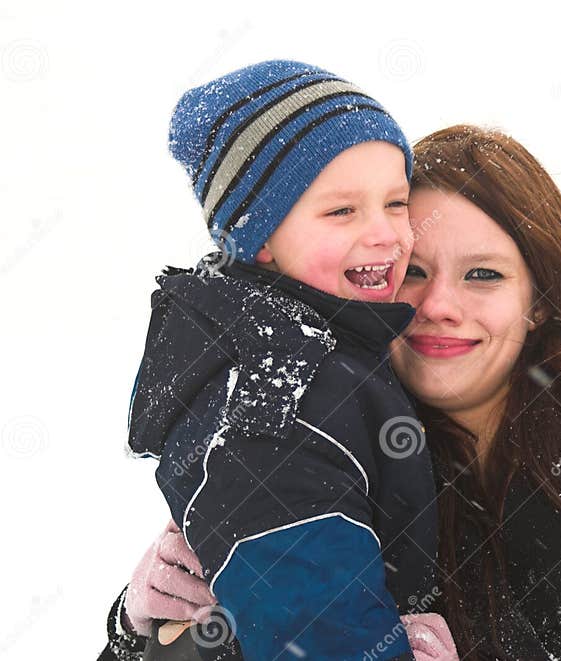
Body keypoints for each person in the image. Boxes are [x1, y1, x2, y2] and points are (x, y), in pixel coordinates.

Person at [108, 124, 561, 659]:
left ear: (539, 299)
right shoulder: (311, 455)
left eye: (484, 275)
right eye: (414, 271)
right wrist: (141, 629)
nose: (439, 305)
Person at [99, 60, 440, 661]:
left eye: (396, 202)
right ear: (257, 237)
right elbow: (312, 620)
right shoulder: (276, 399)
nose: (388, 234)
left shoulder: (325, 345)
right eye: (342, 211)